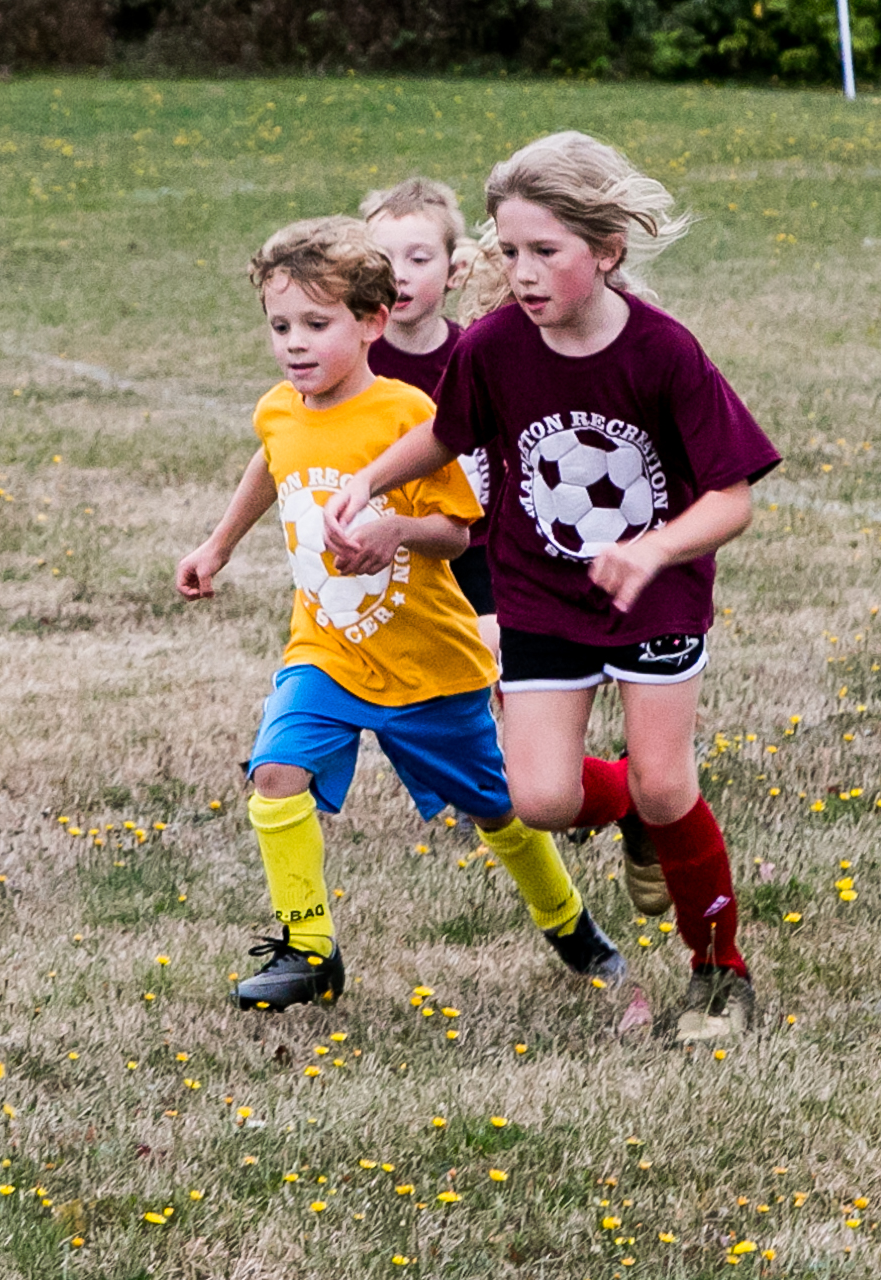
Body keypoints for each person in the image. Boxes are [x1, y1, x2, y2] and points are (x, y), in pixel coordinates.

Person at [326, 133, 781, 1041]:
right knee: (537, 798)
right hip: (539, 591)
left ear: (606, 252)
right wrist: (368, 479)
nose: (522, 272)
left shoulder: (663, 352)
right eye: (508, 250)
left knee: (665, 782)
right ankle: (642, 820)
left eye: (546, 252)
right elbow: (450, 432)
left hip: (654, 597)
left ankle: (719, 974)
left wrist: (655, 549)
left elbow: (730, 498)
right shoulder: (495, 347)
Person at [175, 216, 625, 1012]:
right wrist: (217, 546)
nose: (294, 344)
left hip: (430, 666)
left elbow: (457, 532)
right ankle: (310, 950)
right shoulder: (280, 409)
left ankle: (570, 926)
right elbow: (268, 462)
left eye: (317, 324)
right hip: (327, 652)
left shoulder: (408, 417)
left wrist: (393, 533)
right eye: (280, 326)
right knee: (275, 774)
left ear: (374, 322)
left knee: (500, 810)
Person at [360, 178, 498, 662]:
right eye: (383, 260)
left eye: (418, 259)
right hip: (386, 548)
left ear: (455, 271)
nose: (398, 275)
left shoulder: (478, 354)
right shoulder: (354, 365)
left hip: (478, 544)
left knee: (492, 657)